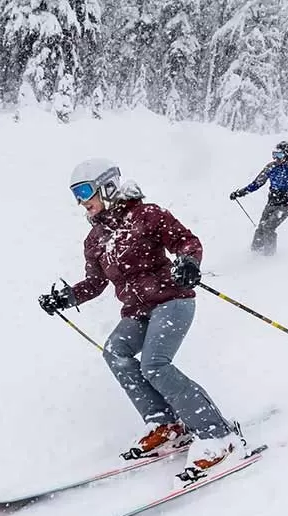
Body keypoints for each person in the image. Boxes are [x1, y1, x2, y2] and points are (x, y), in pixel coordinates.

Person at [38, 158, 246, 484]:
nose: (81, 200)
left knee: (155, 365)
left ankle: (217, 434)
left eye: (84, 190)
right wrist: (65, 298)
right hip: (137, 311)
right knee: (115, 351)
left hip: (172, 300)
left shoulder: (145, 215)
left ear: (107, 186)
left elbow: (186, 242)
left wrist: (188, 263)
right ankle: (166, 424)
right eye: (75, 194)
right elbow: (94, 283)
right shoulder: (95, 240)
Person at [230, 141, 288, 256]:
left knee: (269, 227)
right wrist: (240, 193)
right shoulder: (272, 166)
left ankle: (269, 258)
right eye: (274, 155)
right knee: (261, 227)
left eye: (279, 155)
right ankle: (255, 254)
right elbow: (257, 183)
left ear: (287, 155)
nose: (276, 158)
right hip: (273, 202)